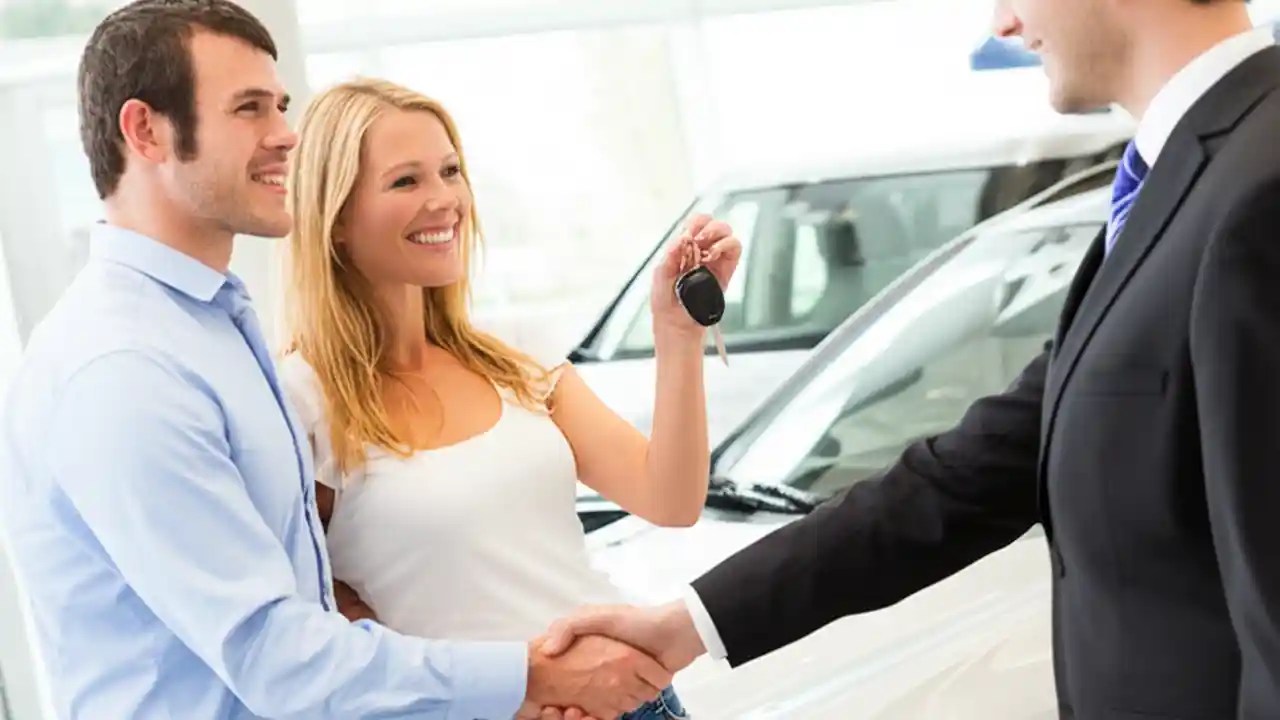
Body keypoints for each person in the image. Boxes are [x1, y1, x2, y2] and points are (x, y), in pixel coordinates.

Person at [544, 1, 1280, 716]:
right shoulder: (1184, 182)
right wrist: (686, 625)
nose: (1003, 24)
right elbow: (970, 476)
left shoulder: (1262, 184)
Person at [0, 2, 670, 718]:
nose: (286, 135)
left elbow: (313, 587)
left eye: (281, 106)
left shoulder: (211, 329)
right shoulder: (125, 368)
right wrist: (529, 677)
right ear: (146, 131)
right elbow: (272, 656)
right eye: (249, 109)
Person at [277, 77, 740, 720]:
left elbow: (672, 500)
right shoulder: (299, 400)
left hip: (635, 703)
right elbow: (318, 617)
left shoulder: (514, 354)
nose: (444, 200)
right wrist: (512, 691)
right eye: (405, 181)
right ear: (336, 220)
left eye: (450, 171)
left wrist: (677, 334)